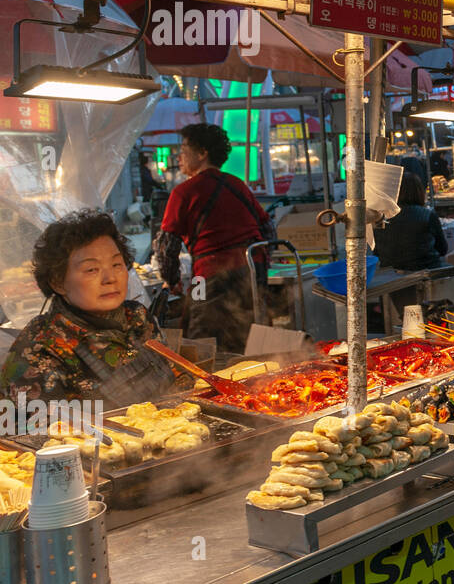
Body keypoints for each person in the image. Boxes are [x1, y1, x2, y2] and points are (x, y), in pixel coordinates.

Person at [2, 210, 184, 407]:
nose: (110, 278)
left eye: (116, 264)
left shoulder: (137, 316)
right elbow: (32, 432)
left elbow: (174, 373)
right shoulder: (40, 347)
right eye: (91, 269)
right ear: (57, 282)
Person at [155, 123, 275, 352]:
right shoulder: (237, 184)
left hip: (208, 275)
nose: (178, 156)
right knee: (248, 333)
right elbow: (268, 228)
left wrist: (171, 281)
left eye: (184, 148)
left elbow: (166, 245)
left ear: (202, 153)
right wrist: (262, 263)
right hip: (252, 271)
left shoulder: (184, 191)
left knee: (199, 329)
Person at [371, 172, 449, 271]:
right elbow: (443, 249)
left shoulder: (381, 216)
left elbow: (376, 252)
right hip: (426, 271)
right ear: (419, 191)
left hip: (391, 274)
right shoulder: (427, 214)